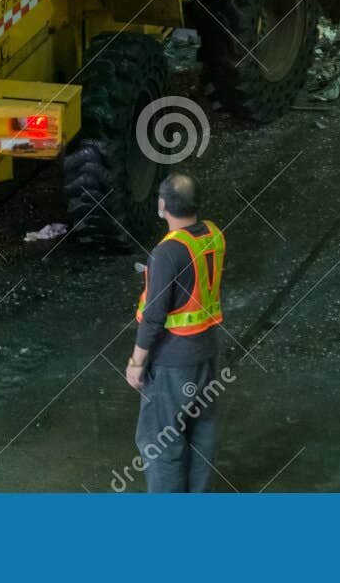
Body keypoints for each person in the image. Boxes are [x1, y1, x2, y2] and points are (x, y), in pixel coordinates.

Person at [126, 173, 225, 492]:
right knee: (201, 436)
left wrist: (137, 363)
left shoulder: (167, 253)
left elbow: (154, 316)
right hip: (207, 354)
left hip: (172, 363)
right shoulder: (213, 235)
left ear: (162, 205)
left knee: (161, 444)